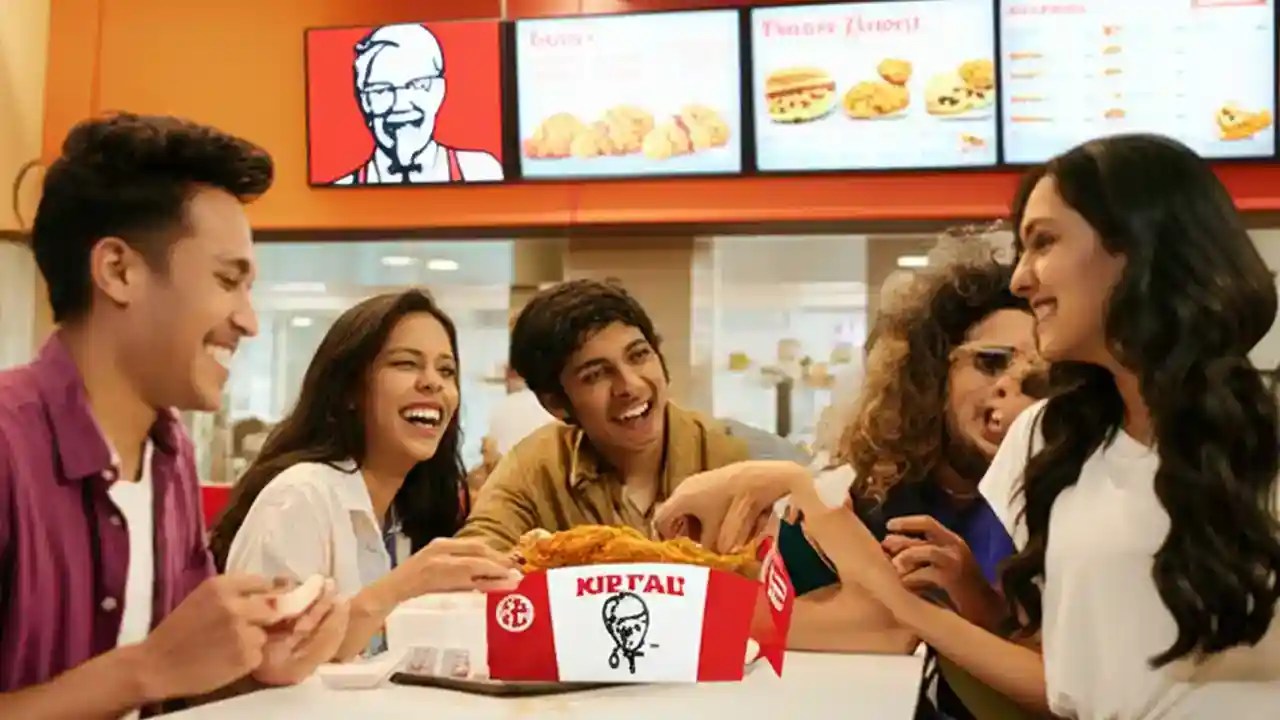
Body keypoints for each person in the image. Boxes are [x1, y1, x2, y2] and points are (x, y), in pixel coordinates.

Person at [788, 134, 1280, 718]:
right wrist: (948, 601)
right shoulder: (1050, 438)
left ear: (1139, 248)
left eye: (1044, 242)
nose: (1021, 278)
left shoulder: (1256, 443)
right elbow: (1063, 681)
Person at [0, 113, 347, 718]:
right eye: (226, 280)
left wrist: (254, 665)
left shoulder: (170, 454)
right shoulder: (9, 446)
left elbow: (173, 682)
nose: (249, 320)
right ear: (118, 270)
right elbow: (152, 670)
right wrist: (146, 668)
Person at [656, 246, 1047, 658]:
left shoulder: (1058, 501)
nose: (1013, 385)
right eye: (991, 362)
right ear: (933, 373)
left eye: (1041, 376)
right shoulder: (871, 490)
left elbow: (899, 629)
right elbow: (864, 623)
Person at [211, 289, 519, 661]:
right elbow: (264, 664)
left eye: (446, 370)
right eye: (406, 364)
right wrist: (399, 590)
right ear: (350, 390)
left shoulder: (411, 515)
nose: (433, 382)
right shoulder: (300, 496)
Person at [457, 279, 752, 551]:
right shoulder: (535, 469)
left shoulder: (728, 454)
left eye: (638, 356)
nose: (631, 386)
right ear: (556, 404)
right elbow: (477, 555)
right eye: (596, 374)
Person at [332, 23, 503, 185]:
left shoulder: (480, 172)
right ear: (364, 101)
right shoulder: (338, 194)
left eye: (416, 85)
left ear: (439, 91)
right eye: (381, 90)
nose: (400, 106)